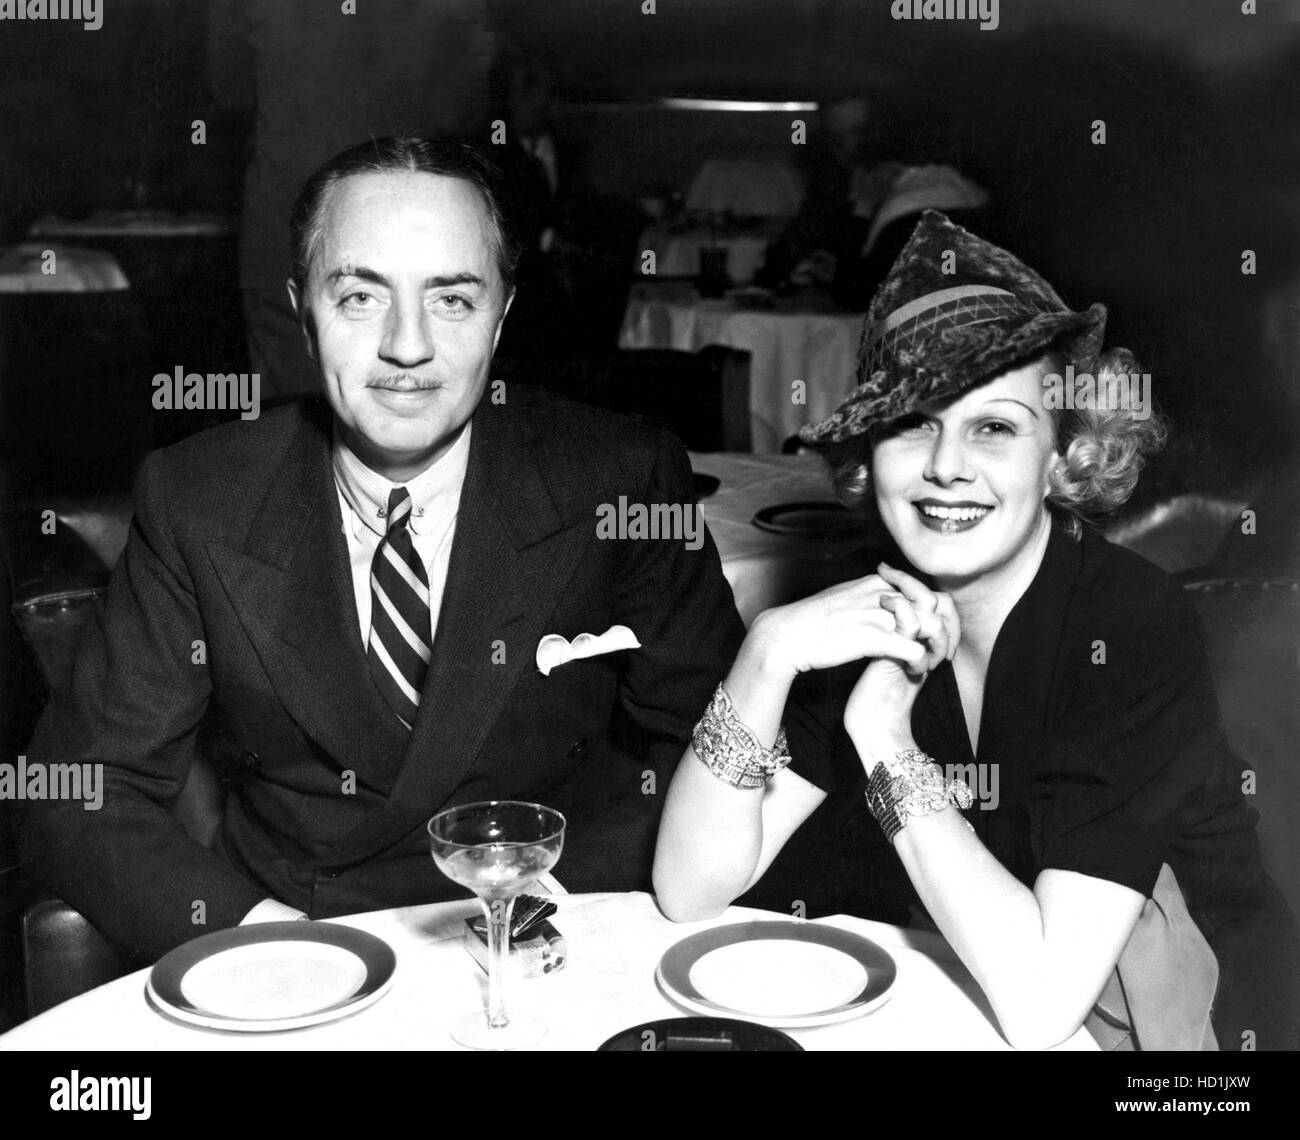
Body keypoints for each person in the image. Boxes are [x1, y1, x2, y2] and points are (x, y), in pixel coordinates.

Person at [21, 137, 744, 963]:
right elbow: (80, 790)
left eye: (452, 300)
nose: (407, 347)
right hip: (304, 938)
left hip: (562, 930)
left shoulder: (621, 477)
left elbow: (720, 740)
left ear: (503, 315)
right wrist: (260, 944)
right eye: (361, 296)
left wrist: (599, 898)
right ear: (303, 308)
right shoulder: (198, 496)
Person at [654, 210, 1300, 1050]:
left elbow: (1039, 1010)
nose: (947, 464)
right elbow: (690, 885)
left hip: (1196, 1030)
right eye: (913, 422)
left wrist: (884, 740)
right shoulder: (869, 606)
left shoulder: (1127, 625)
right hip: (982, 991)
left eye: (993, 426)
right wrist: (767, 650)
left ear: (1064, 454)